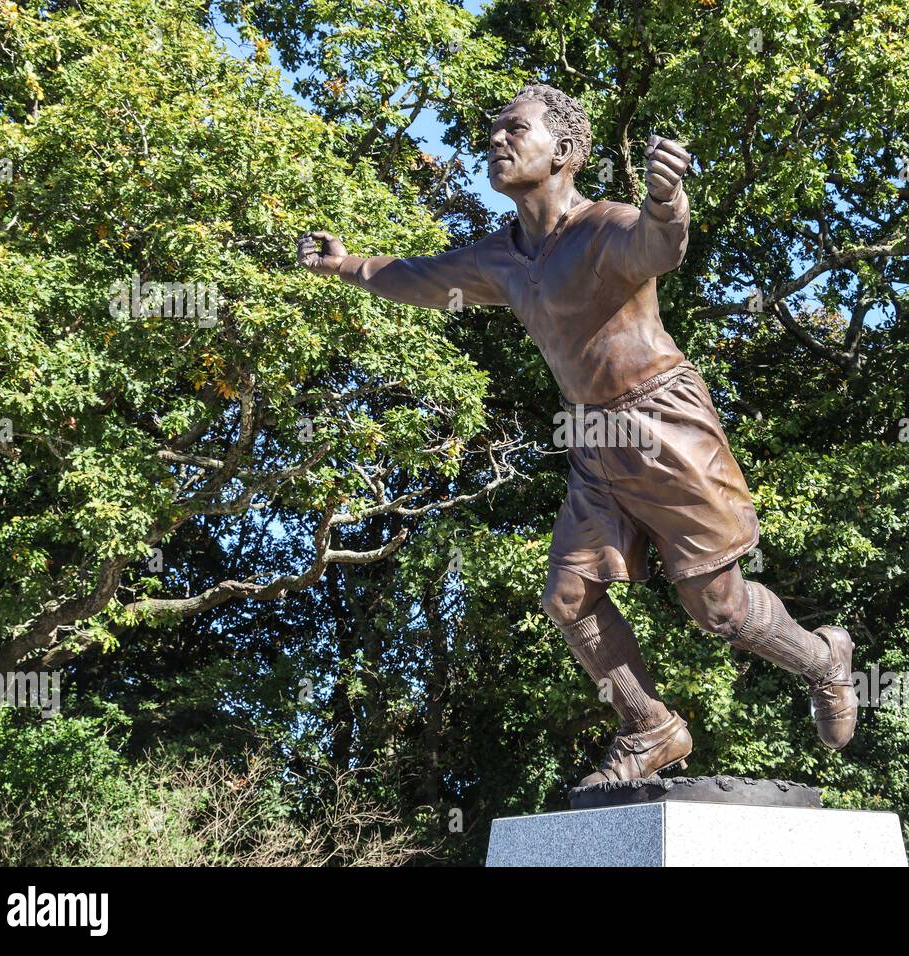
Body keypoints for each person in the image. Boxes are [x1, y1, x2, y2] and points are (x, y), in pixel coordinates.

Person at [298, 83, 857, 786]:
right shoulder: (498, 259)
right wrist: (343, 265)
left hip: (665, 425)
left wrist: (666, 202)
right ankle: (650, 728)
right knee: (567, 598)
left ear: (563, 151)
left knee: (716, 609)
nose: (495, 141)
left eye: (515, 130)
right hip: (594, 440)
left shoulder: (605, 227)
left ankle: (824, 661)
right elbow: (418, 277)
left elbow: (658, 246)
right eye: (492, 132)